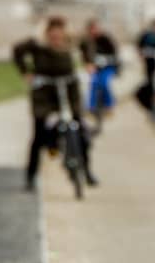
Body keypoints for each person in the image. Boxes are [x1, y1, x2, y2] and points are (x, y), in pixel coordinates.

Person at [13, 16, 98, 192]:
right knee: (39, 135)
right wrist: (26, 73)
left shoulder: (72, 40)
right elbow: (18, 50)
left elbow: (87, 44)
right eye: (53, 35)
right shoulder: (36, 44)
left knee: (81, 129)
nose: (56, 38)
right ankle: (31, 176)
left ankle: (86, 170)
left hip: (68, 89)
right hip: (45, 91)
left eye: (59, 34)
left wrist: (88, 62)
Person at [82, 18, 120, 126]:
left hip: (107, 67)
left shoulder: (106, 39)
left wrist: (109, 60)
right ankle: (91, 108)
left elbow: (115, 53)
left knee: (104, 83)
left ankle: (109, 106)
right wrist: (88, 65)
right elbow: (84, 56)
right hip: (94, 69)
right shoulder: (86, 42)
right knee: (93, 84)